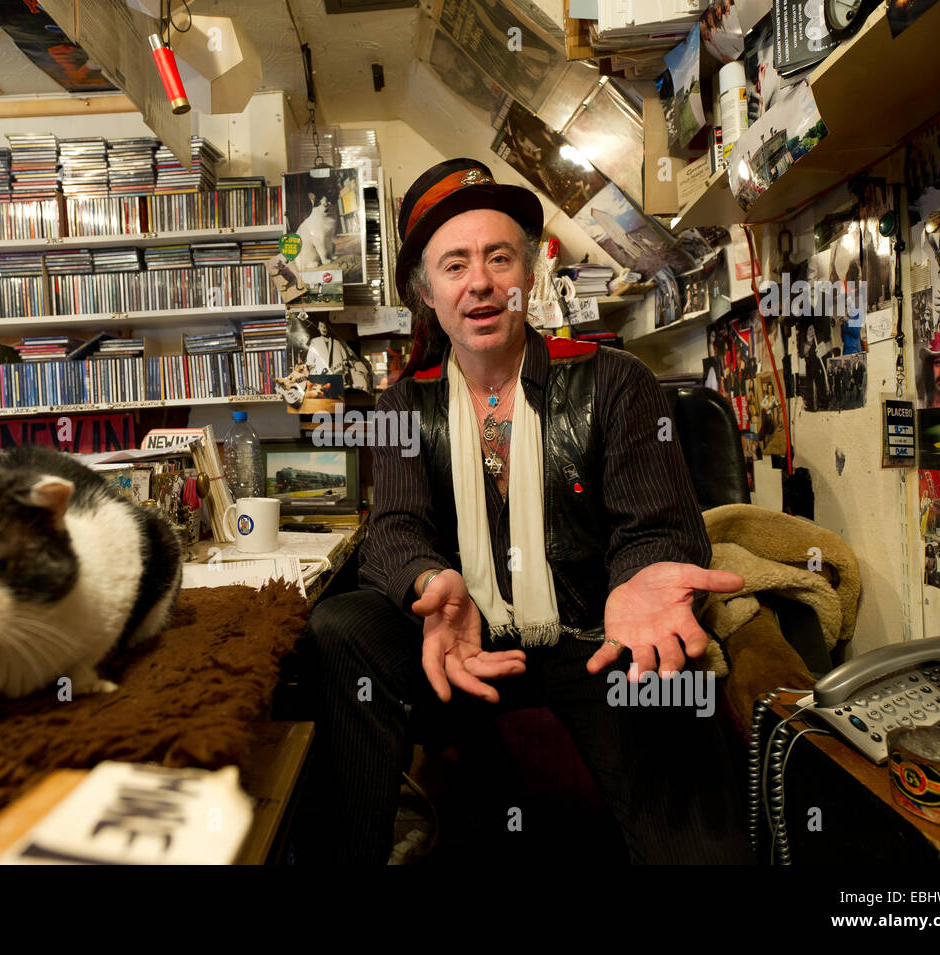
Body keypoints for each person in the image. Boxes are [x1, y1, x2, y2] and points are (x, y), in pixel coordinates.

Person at [299, 158, 751, 865]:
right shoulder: (403, 407)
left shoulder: (615, 381)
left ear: (529, 276)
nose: (478, 280)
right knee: (339, 625)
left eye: (498, 257)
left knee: (670, 667)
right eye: (454, 264)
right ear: (427, 291)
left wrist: (641, 578)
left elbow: (659, 524)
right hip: (462, 640)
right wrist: (427, 582)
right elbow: (394, 529)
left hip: (595, 637)